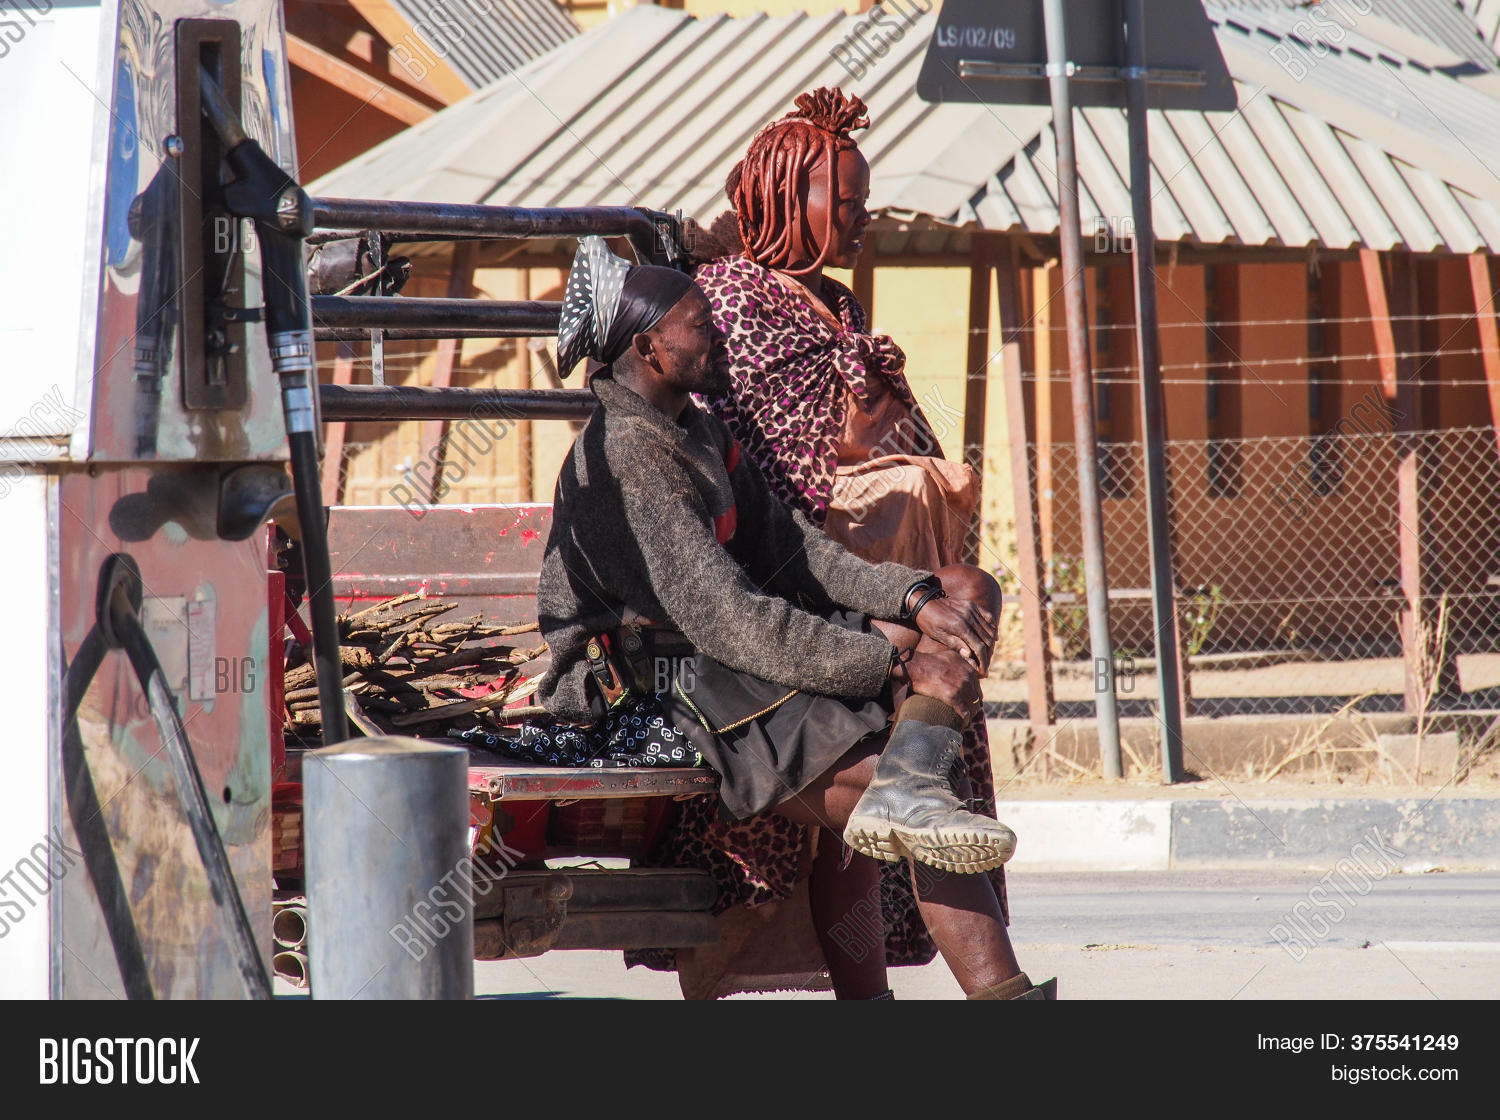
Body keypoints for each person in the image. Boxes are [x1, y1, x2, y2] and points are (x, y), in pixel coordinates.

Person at [520, 237, 1052, 1000]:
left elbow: (794, 550)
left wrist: (912, 601)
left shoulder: (694, 427)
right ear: (647, 347)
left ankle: (909, 778)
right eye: (701, 324)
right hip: (651, 686)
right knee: (918, 804)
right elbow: (730, 621)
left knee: (965, 592)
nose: (719, 334)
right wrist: (893, 664)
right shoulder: (627, 455)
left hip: (720, 656)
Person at [689, 87, 1008, 973]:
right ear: (789, 200)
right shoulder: (727, 304)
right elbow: (751, 471)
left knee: (974, 595)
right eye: (850, 204)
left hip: (883, 578)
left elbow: (904, 450)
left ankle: (875, 987)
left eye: (866, 204)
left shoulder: (838, 307)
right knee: (885, 816)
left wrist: (885, 429)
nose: (863, 221)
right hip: (790, 593)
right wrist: (855, 446)